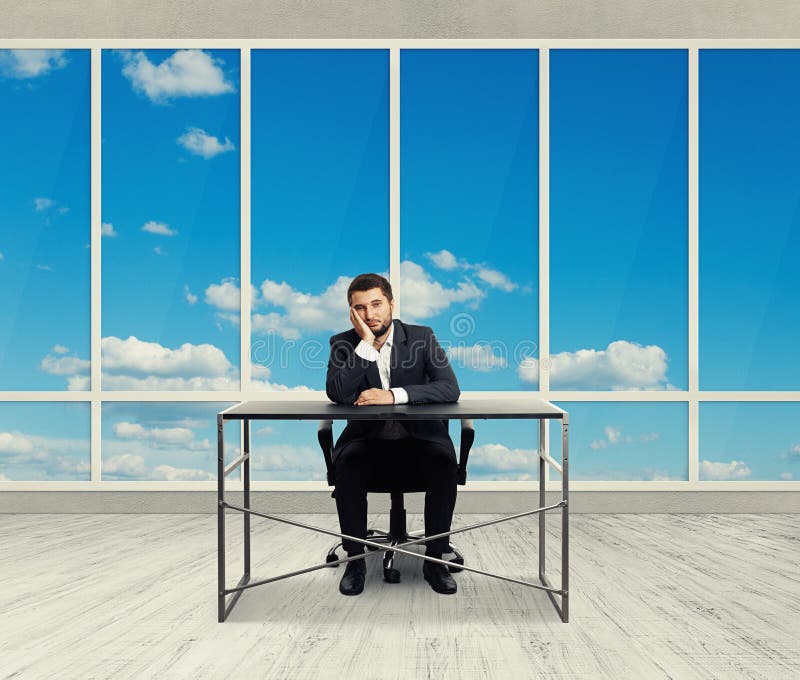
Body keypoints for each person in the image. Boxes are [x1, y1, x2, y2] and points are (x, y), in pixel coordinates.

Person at [325, 273, 461, 596]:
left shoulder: (421, 338)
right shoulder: (343, 343)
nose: (370, 314)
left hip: (419, 443)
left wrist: (393, 395)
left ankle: (435, 560)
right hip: (368, 444)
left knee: (443, 461)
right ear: (351, 313)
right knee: (348, 464)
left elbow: (449, 387)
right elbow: (338, 393)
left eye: (376, 304)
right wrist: (366, 345)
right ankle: (355, 561)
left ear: (391, 304)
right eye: (360, 308)